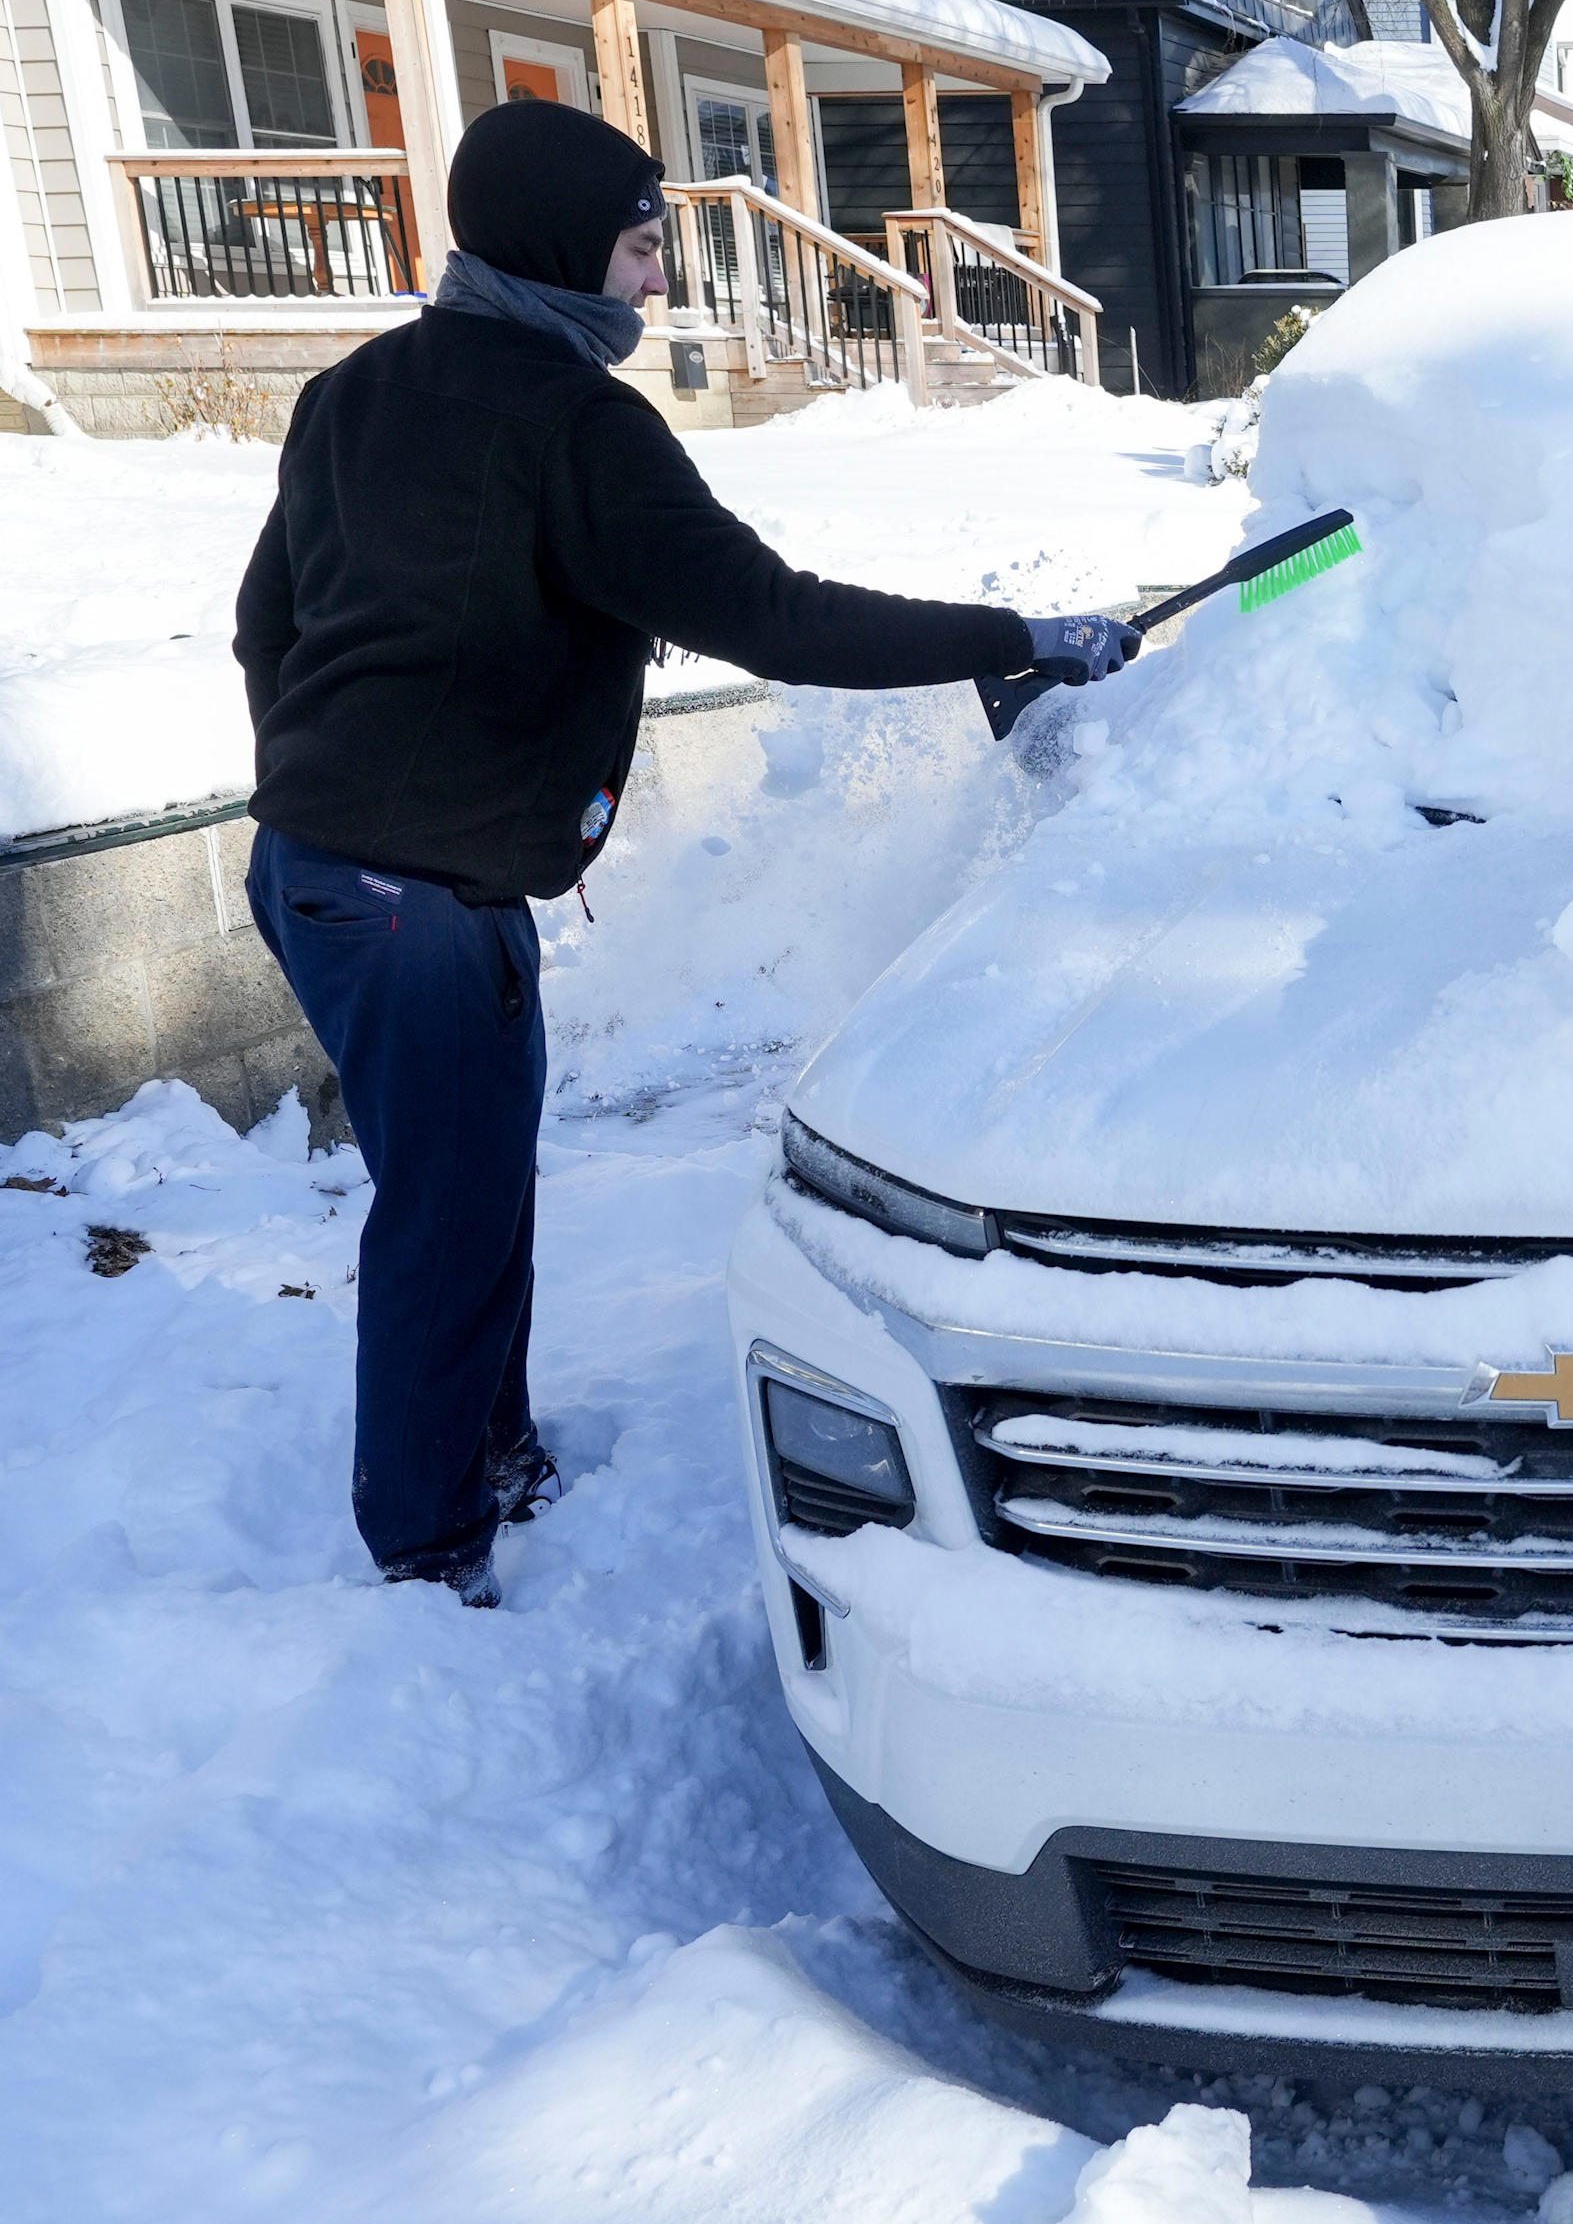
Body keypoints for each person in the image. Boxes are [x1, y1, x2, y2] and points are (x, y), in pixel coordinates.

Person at [235, 100, 1144, 1607]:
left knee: (463, 1187)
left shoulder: (359, 388)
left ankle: (490, 1454)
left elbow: (271, 625)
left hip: (328, 871)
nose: (658, 282)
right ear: (558, 242)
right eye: (642, 243)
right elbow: (769, 615)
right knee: (446, 1218)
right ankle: (427, 1549)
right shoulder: (569, 420)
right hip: (413, 900)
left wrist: (335, 785)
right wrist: (1015, 637)